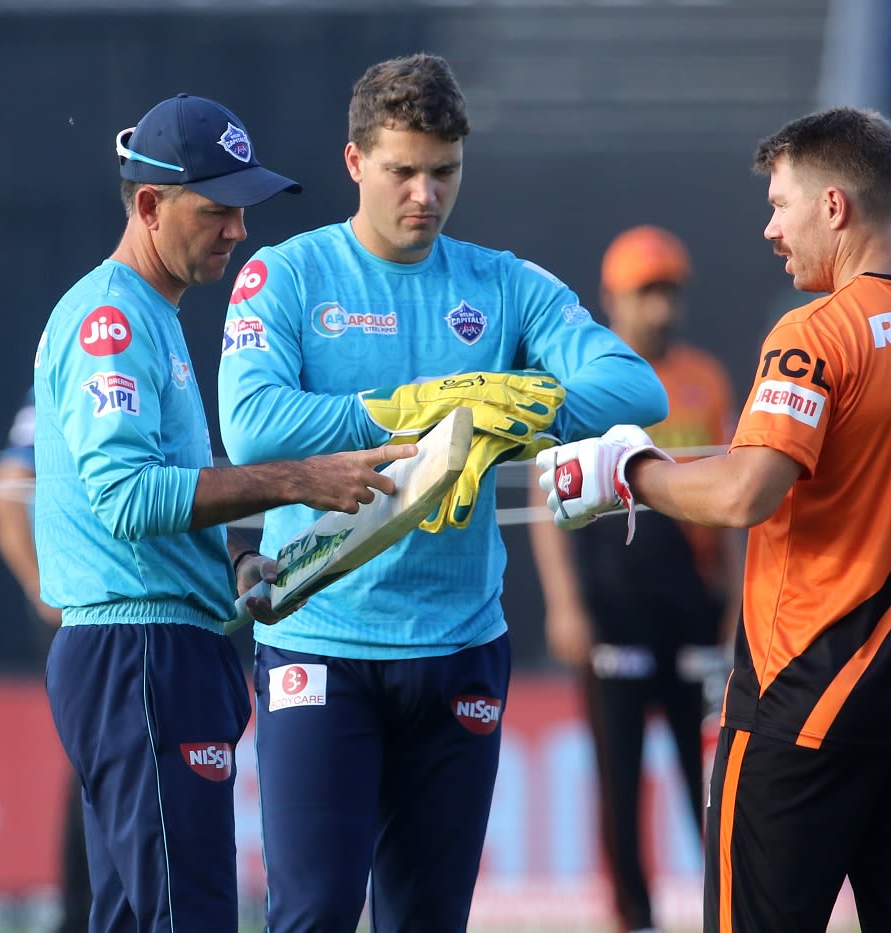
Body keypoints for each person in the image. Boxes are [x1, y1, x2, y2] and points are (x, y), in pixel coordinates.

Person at [537, 105, 891, 932]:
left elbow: (744, 494)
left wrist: (628, 472)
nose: (771, 228)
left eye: (780, 204)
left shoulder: (814, 334)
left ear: (834, 206)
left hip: (795, 718)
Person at [217, 53, 667, 932]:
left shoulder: (503, 283)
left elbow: (635, 389)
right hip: (320, 643)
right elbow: (252, 426)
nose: (425, 194)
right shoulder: (289, 275)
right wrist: (422, 409)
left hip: (460, 643)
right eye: (402, 171)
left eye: (445, 172)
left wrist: (512, 412)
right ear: (355, 163)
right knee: (313, 914)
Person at [32, 92, 420, 932]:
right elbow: (128, 497)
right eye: (217, 210)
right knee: (190, 913)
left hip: (158, 647)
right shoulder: (111, 320)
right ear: (149, 205)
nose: (238, 231)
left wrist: (233, 560)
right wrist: (296, 480)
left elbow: (158, 490)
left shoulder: (153, 316)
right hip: (142, 652)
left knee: (142, 916)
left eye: (243, 209)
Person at [527, 225, 740, 933]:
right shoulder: (582, 387)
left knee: (710, 776)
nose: (661, 305)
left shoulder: (706, 379)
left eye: (670, 289)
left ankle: (729, 908)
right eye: (647, 291)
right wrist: (564, 604)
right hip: (612, 607)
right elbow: (541, 497)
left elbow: (736, 502)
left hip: (691, 607)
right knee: (618, 776)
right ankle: (632, 916)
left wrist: (735, 609)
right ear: (612, 298)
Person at [0, 390, 90, 933]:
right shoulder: (94, 362)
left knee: (99, 766)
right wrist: (42, 586)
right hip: (101, 609)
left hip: (106, 609)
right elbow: (6, 493)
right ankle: (83, 916)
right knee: (105, 766)